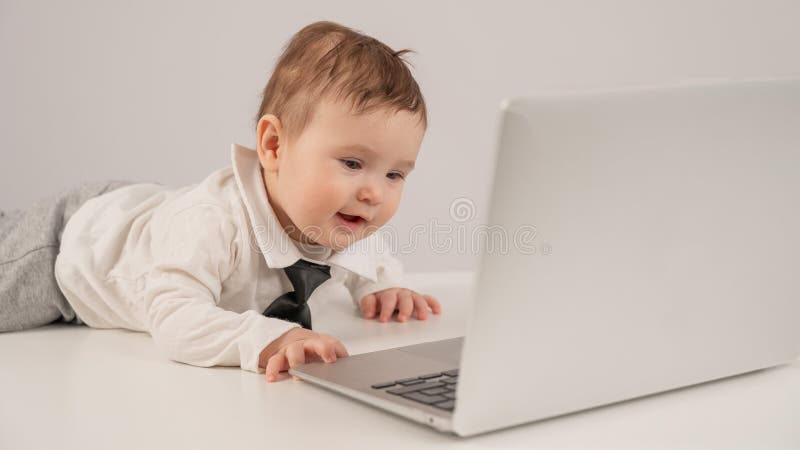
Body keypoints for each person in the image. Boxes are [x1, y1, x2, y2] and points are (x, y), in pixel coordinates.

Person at [0, 21, 441, 382]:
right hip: (74, 246)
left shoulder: (341, 220)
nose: (374, 193)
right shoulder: (213, 225)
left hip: (152, 214)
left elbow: (368, 255)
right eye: (351, 162)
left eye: (395, 174)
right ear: (273, 146)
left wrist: (382, 288)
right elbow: (174, 320)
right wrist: (271, 340)